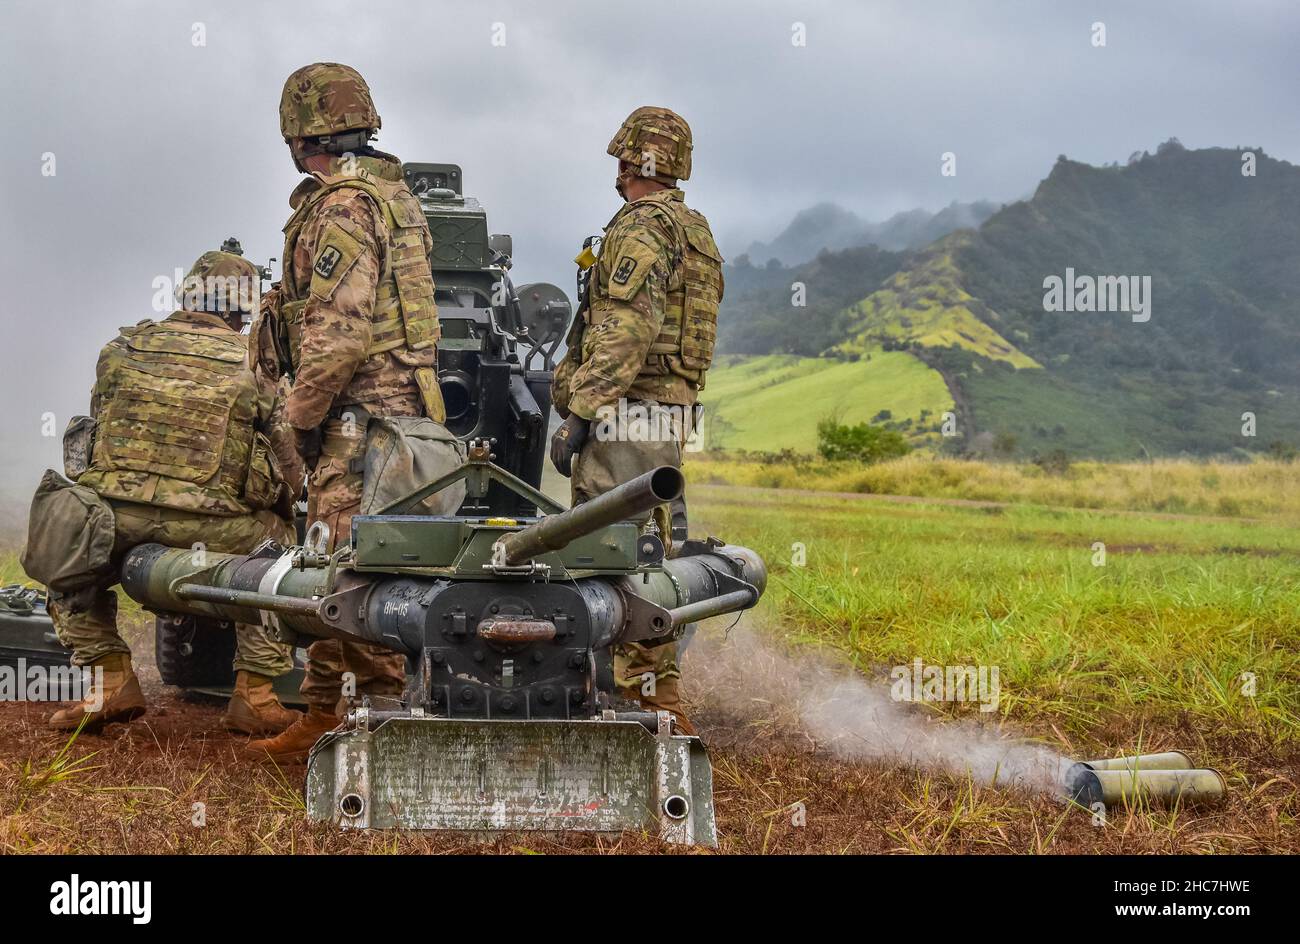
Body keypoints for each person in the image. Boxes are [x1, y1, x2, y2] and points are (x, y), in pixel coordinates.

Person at [246, 62, 448, 763]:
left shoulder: (343, 206)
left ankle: (380, 720)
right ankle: (326, 710)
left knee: (344, 570)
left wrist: (300, 418)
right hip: (405, 420)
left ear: (302, 135)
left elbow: (339, 330)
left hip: (361, 422)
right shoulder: (395, 198)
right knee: (351, 564)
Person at [37, 247, 302, 734]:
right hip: (219, 525)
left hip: (115, 519)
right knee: (283, 559)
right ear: (241, 310)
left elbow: (98, 431)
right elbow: (290, 458)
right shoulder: (256, 365)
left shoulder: (121, 350)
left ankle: (108, 682)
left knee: (64, 540)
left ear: (186, 295)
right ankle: (256, 695)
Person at [549, 107, 724, 732]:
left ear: (629, 162)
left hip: (630, 416)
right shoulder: (694, 230)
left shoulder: (643, 230)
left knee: (619, 553)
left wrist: (580, 412)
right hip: (665, 416)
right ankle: (644, 692)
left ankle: (649, 703)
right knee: (654, 548)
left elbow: (627, 331)